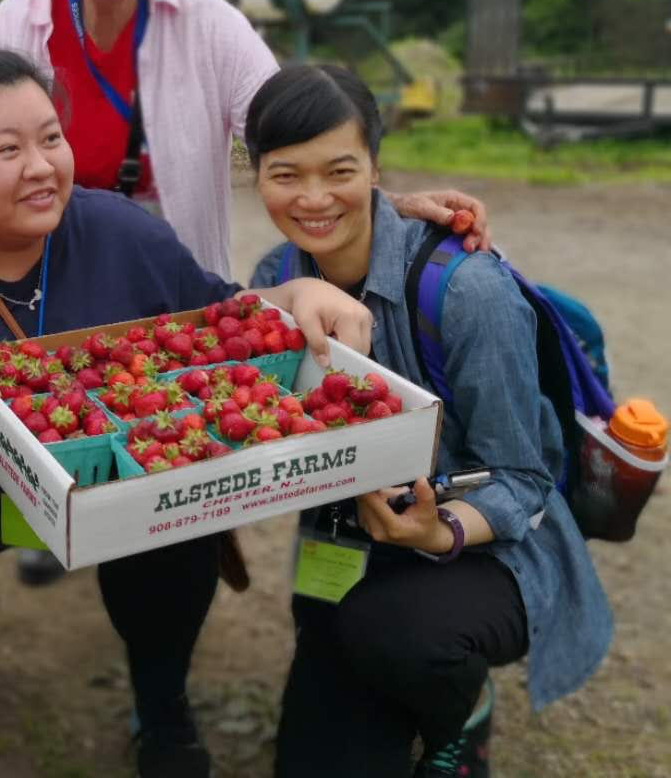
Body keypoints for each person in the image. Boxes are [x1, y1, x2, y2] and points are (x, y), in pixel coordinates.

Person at [0, 0, 490, 585]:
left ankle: (177, 541)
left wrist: (382, 196)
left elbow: (285, 130)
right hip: (55, 249)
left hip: (168, 255)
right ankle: (59, 514)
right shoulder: (17, 27)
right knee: (66, 397)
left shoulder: (203, 19)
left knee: (168, 425)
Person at [0, 51, 373, 778]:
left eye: (50, 138)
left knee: (183, 507)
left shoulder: (122, 232)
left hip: (112, 477)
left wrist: (295, 301)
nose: (40, 166)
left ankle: (163, 711)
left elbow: (220, 314)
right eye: (7, 149)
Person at [244, 65, 611, 778]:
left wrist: (436, 530)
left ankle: (460, 714)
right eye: (285, 174)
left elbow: (522, 479)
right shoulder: (275, 277)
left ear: (376, 166)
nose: (313, 199)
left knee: (394, 635)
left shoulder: (467, 291)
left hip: (481, 546)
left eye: (340, 171)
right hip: (347, 541)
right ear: (256, 174)